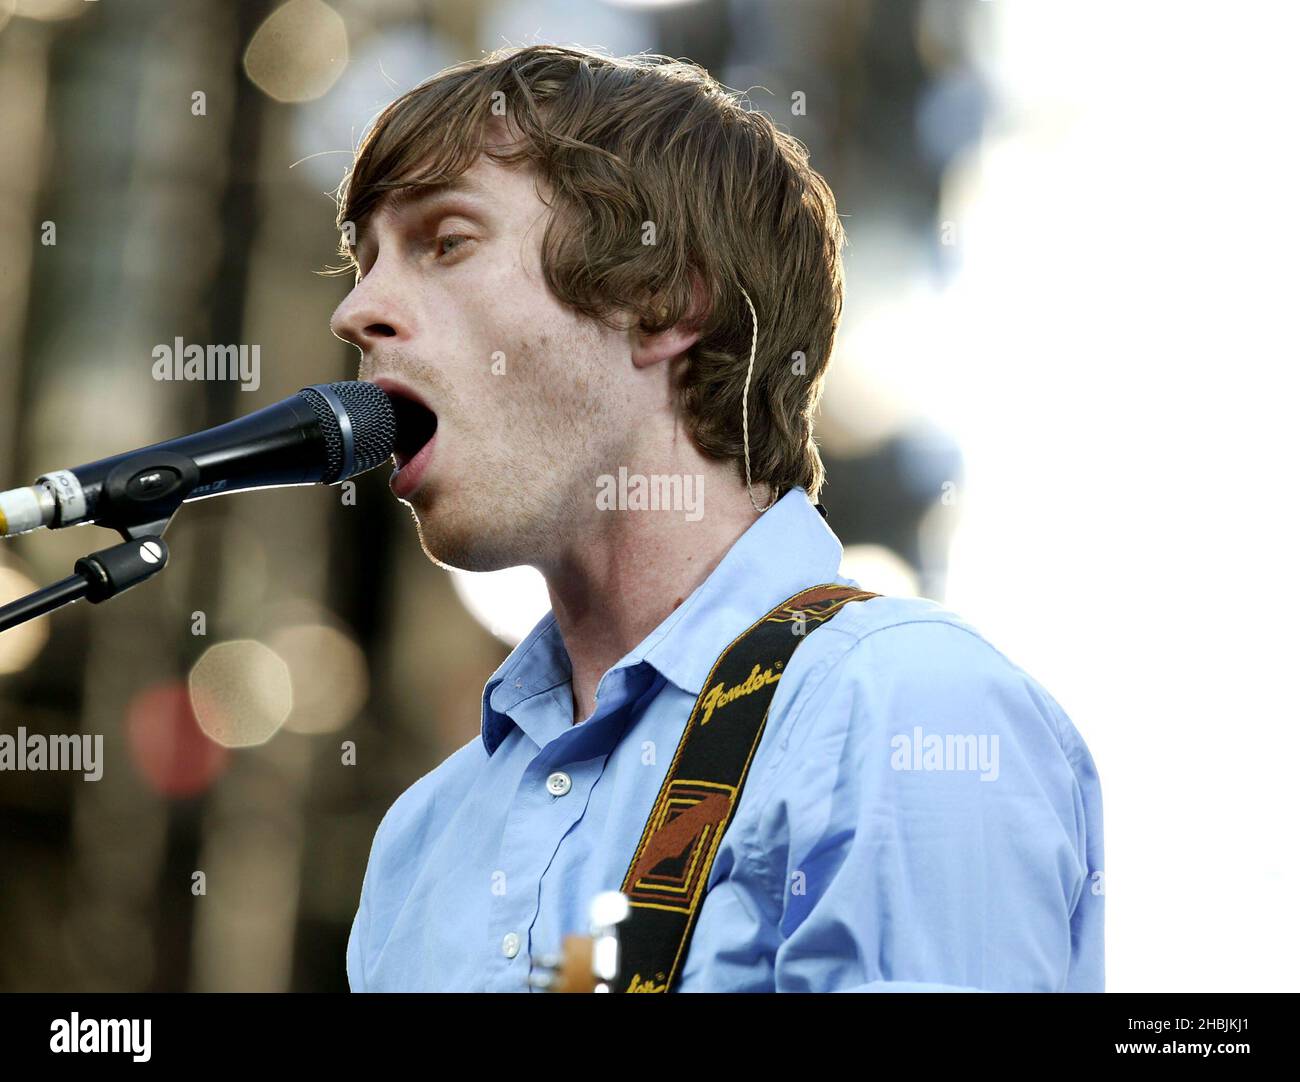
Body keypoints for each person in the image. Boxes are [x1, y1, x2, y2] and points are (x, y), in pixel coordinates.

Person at [329, 44, 1103, 992]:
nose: (357, 311)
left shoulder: (898, 704)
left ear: (662, 300)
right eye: (361, 263)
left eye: (445, 241)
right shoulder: (423, 836)